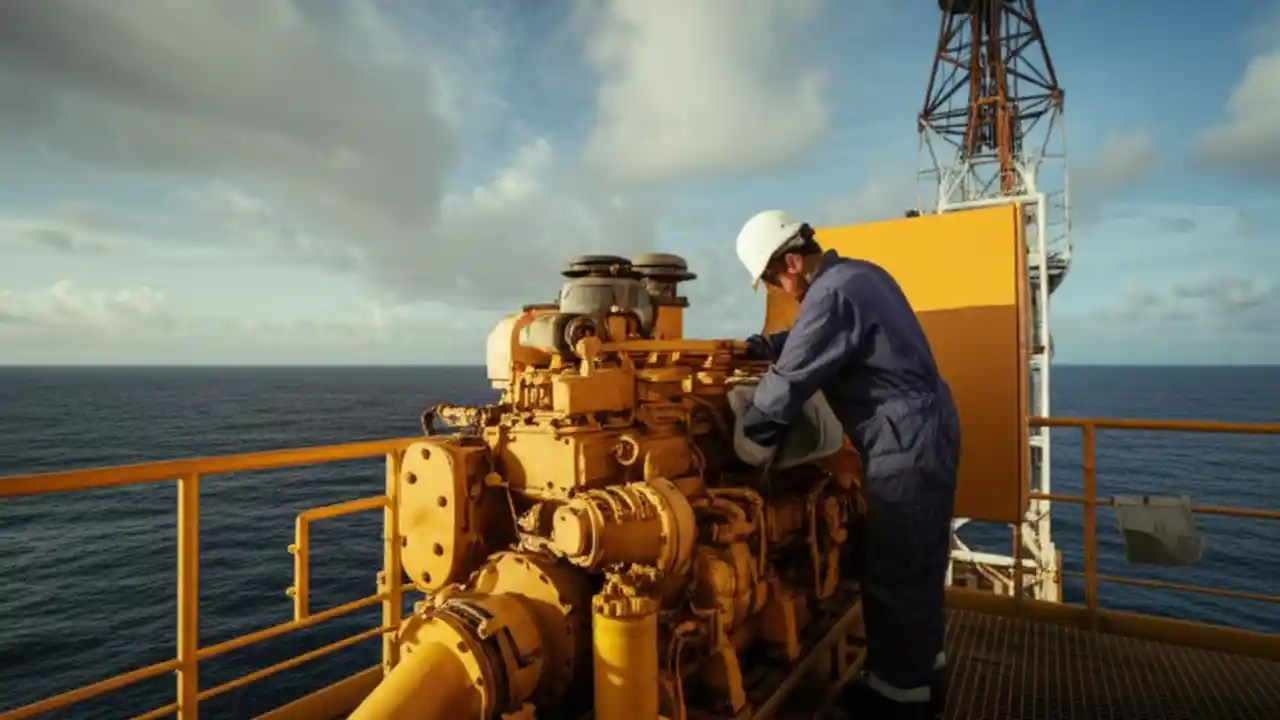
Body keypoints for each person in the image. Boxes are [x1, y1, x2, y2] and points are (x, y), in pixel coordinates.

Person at [733, 209, 960, 719]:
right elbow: (815, 339)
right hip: (929, 426)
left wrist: (748, 444)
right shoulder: (860, 275)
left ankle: (897, 702)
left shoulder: (832, 294)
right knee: (922, 561)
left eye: (773, 279)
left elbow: (789, 382)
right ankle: (925, 676)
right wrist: (760, 347)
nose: (778, 288)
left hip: (903, 439)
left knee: (895, 566)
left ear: (791, 261)